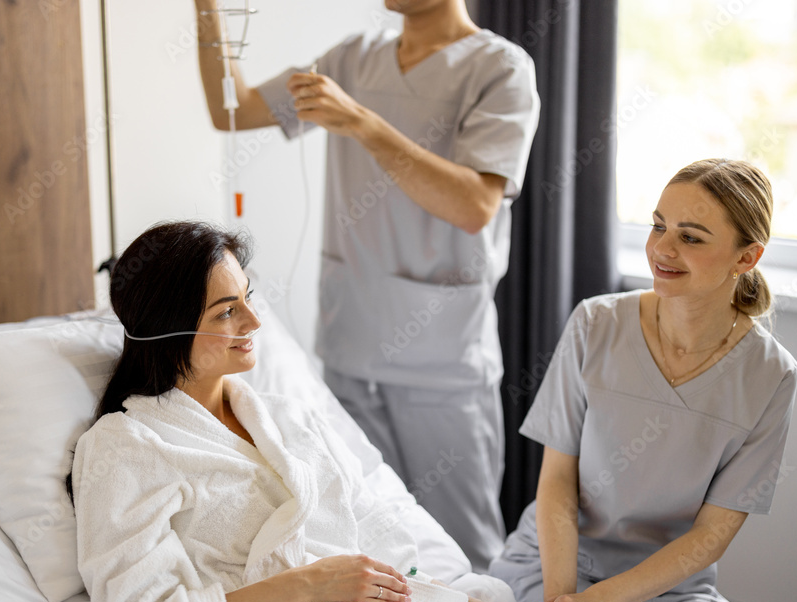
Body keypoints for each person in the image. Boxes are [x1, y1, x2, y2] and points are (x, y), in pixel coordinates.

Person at [67, 221, 655, 602]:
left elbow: (386, 560)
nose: (254, 321)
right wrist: (310, 584)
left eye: (248, 297)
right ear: (169, 325)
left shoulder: (288, 420)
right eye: (227, 311)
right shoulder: (125, 448)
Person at [193, 0, 540, 571]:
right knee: (369, 536)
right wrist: (208, 12)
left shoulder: (500, 68)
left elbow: (473, 204)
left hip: (440, 357)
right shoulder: (352, 59)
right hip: (350, 341)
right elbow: (231, 112)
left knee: (465, 552)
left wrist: (362, 122)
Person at [487, 159, 797, 602]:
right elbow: (555, 484)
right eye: (658, 226)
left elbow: (712, 533)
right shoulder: (596, 323)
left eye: (691, 237)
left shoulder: (771, 373)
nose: (662, 249)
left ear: (747, 258)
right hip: (557, 567)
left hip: (675, 593)